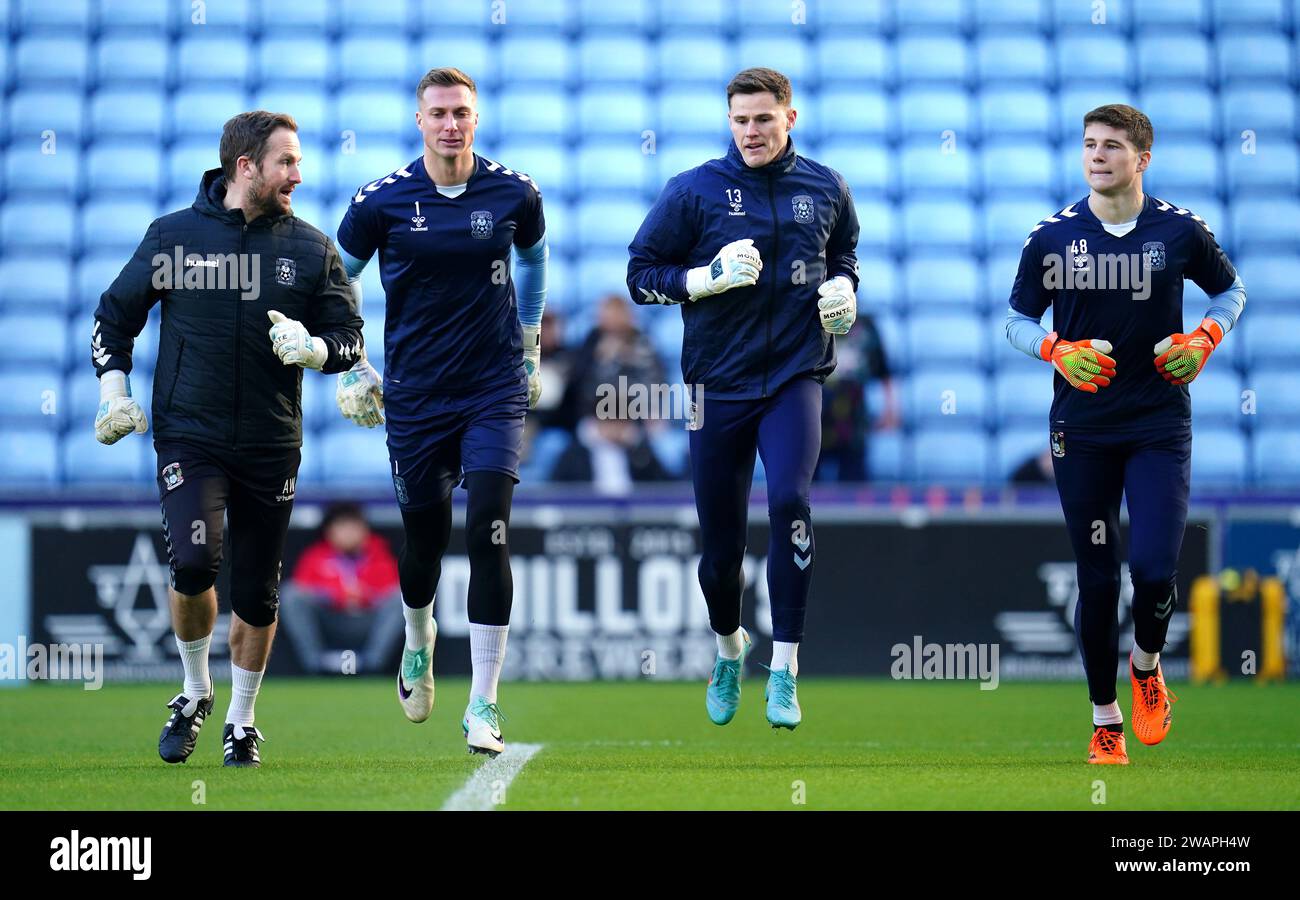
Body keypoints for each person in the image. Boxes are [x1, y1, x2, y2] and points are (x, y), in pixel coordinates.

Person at [92, 110, 365, 768]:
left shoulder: (310, 247)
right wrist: (114, 392)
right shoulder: (174, 237)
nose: (298, 174)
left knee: (258, 593)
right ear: (247, 167)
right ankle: (194, 692)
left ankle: (242, 721)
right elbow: (113, 314)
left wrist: (316, 350)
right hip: (190, 435)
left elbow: (351, 340)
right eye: (286, 163)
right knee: (193, 563)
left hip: (272, 442)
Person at [1004, 104, 1246, 765]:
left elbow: (1231, 293)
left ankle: (1146, 665)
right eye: (1089, 144)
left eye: (1112, 146)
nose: (1097, 155)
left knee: (1154, 569)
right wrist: (1056, 349)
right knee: (1098, 575)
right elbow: (1016, 322)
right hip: (1081, 428)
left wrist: (1205, 338)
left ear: (1142, 159)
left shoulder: (1179, 231)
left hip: (1159, 423)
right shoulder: (1052, 239)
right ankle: (1105, 722)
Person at [627, 67, 860, 730]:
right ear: (729, 122)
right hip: (714, 386)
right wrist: (703, 279)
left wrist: (845, 291)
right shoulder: (694, 190)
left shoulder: (827, 185)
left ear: (791, 117)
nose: (752, 132)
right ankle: (731, 647)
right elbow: (641, 275)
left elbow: (845, 253)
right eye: (741, 120)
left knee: (790, 501)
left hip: (795, 376)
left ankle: (784, 669)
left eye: (763, 118)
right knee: (720, 549)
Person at [333, 67, 547, 757]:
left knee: (489, 525)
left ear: (475, 119)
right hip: (417, 396)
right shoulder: (382, 201)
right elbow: (336, 278)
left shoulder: (514, 190)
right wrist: (350, 360)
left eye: (461, 111)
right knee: (424, 541)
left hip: (493, 388)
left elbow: (534, 258)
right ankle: (418, 636)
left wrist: (531, 338)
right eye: (438, 113)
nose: (450, 123)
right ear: (419, 120)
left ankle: (483, 702)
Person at [280, 503, 403, 673]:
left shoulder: (380, 555)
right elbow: (302, 591)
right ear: (329, 532)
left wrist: (365, 594)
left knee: (402, 598)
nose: (348, 534)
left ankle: (373, 665)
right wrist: (336, 595)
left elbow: (390, 593)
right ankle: (315, 665)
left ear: (365, 530)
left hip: (367, 621)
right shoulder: (315, 556)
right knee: (290, 593)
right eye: (342, 527)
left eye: (354, 527)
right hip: (331, 621)